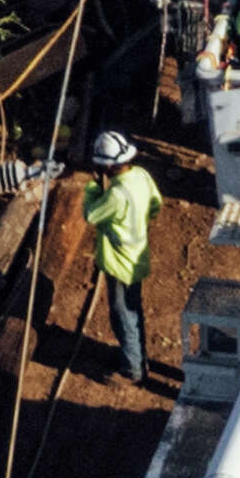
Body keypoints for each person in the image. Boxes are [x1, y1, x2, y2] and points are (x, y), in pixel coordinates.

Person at [83, 131, 162, 385]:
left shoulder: (116, 195)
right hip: (138, 256)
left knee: (123, 314)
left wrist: (92, 189)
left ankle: (132, 370)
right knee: (133, 308)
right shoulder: (141, 176)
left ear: (107, 166)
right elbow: (155, 205)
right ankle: (138, 357)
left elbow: (91, 215)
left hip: (119, 264)